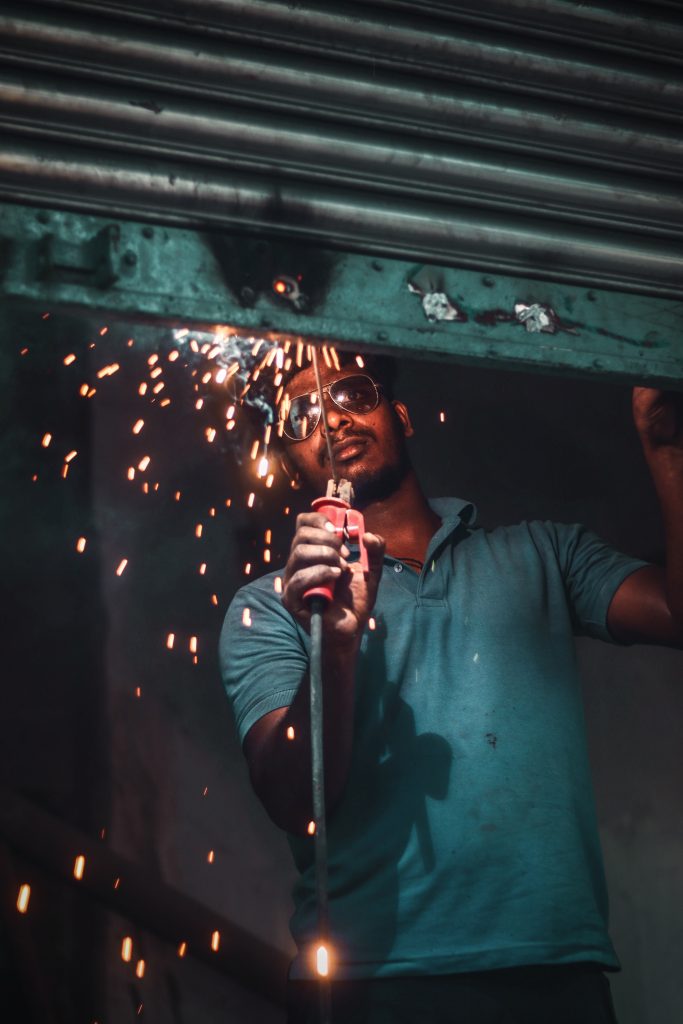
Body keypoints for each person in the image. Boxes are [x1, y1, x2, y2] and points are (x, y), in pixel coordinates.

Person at [220, 354, 683, 1024]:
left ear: (399, 414)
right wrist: (335, 647)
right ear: (289, 462)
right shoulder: (270, 607)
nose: (332, 417)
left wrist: (667, 453)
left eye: (352, 393)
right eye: (300, 415)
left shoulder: (541, 555)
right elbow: (296, 803)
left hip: (554, 972)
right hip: (374, 985)